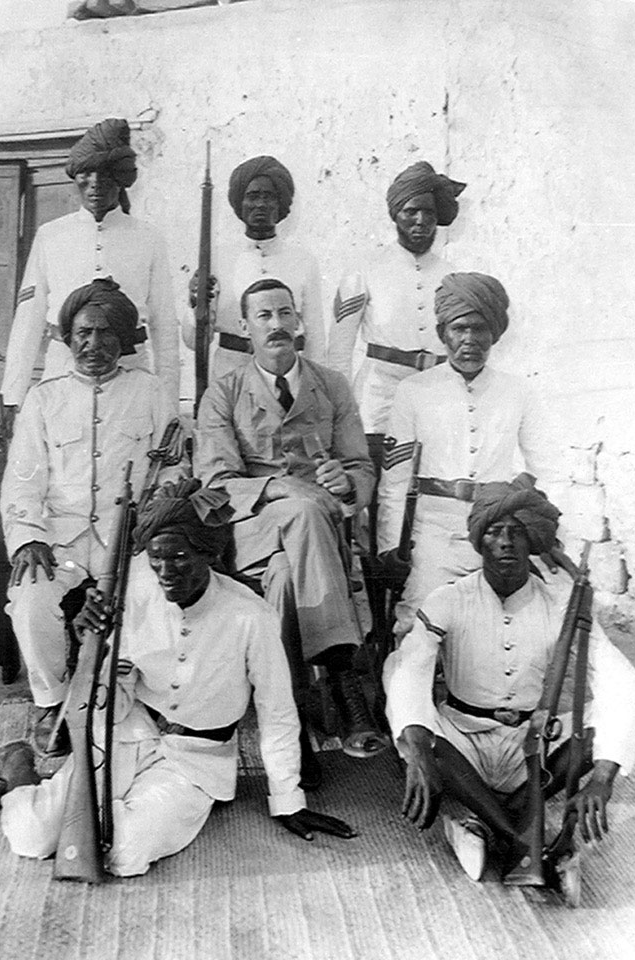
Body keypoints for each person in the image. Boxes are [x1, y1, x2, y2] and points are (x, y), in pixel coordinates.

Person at [0, 480, 356, 878]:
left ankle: (55, 795)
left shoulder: (250, 616)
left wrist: (288, 799)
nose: (165, 572)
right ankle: (18, 766)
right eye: (155, 560)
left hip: (195, 761)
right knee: (32, 838)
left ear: (208, 555)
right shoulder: (133, 593)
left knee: (126, 851)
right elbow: (111, 693)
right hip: (127, 734)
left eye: (178, 558)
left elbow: (277, 711)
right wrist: (93, 644)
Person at [383, 481, 635, 885]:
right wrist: (417, 751)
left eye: (517, 531)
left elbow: (625, 683)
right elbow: (408, 670)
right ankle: (523, 837)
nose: (506, 542)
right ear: (478, 541)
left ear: (532, 540)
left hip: (533, 745)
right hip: (464, 743)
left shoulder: (562, 605)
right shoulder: (448, 599)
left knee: (592, 728)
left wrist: (601, 779)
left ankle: (490, 825)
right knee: (417, 727)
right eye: (494, 531)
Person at [194, 277, 387, 780]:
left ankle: (293, 724)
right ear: (245, 327)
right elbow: (216, 484)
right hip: (251, 528)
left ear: (299, 321)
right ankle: (343, 676)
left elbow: (362, 470)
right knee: (300, 514)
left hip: (314, 537)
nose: (277, 325)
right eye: (264, 316)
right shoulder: (223, 393)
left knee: (283, 576)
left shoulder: (332, 385)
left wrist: (343, 481)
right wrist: (285, 490)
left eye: (285, 314)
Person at [1, 278, 183, 754]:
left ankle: (157, 701)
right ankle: (50, 704)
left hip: (133, 539)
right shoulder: (44, 399)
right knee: (30, 595)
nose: (93, 344)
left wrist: (153, 526)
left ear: (122, 342)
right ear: (68, 338)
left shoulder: (151, 391)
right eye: (83, 333)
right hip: (61, 543)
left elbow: (174, 468)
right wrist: (27, 538)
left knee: (161, 597)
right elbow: (22, 483)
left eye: (105, 334)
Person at [376, 271, 560, 633]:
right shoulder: (414, 390)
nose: (470, 339)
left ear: (494, 333)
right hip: (433, 530)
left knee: (532, 620)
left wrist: (544, 530)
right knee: (420, 622)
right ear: (443, 332)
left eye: (480, 329)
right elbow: (395, 480)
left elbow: (548, 466)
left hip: (499, 529)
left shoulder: (517, 391)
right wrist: (390, 545)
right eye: (460, 329)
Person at [0, 117, 179, 425]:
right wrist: (12, 394)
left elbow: (164, 326)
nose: (95, 182)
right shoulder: (51, 236)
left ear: (121, 178)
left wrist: (169, 403)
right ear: (75, 177)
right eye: (86, 173)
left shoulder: (148, 239)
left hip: (130, 372)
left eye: (106, 172)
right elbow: (29, 319)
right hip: (63, 370)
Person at [328, 160, 466, 441]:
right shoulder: (365, 269)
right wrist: (341, 408)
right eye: (410, 211)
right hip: (377, 399)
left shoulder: (451, 277)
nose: (420, 220)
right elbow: (339, 350)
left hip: (436, 395)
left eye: (428, 212)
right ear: (395, 215)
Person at [183, 155, 325, 382]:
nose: (260, 204)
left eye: (269, 197)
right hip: (230, 376)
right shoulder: (215, 258)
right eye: (252, 196)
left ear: (281, 204)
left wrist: (316, 388)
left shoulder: (303, 261)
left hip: (286, 376)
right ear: (240, 203)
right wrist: (195, 304)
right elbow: (193, 341)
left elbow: (315, 336)